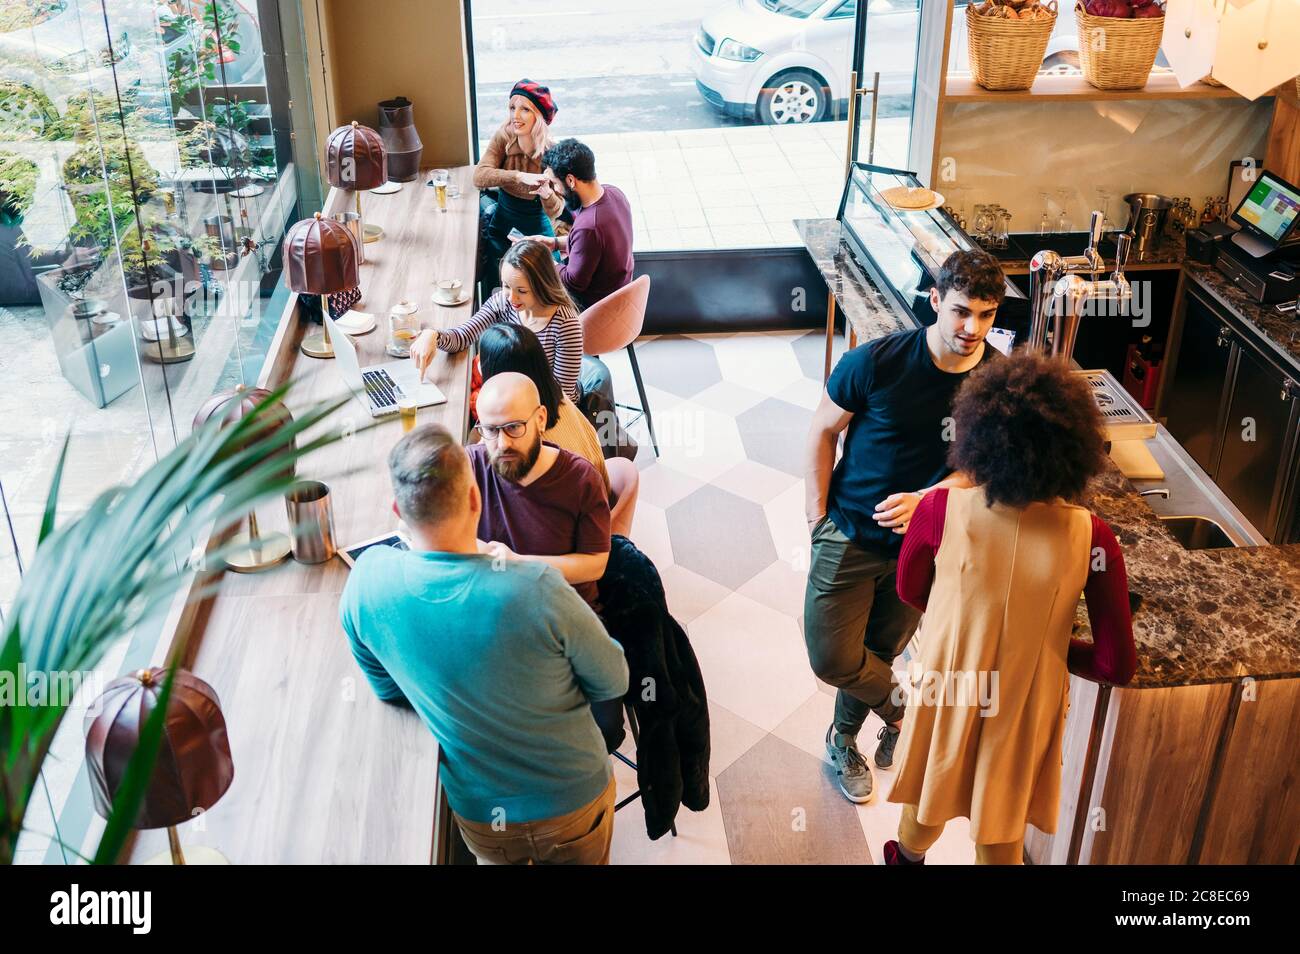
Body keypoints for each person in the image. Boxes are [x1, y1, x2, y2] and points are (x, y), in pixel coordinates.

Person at [883, 351, 1137, 865]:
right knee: (1001, 831)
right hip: (1026, 700)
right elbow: (1116, 664)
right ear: (1077, 449)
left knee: (930, 793)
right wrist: (1046, 645)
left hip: (947, 685)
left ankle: (905, 859)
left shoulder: (937, 510)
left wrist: (963, 618)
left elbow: (911, 590)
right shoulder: (1094, 535)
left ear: (979, 437)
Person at [339, 424, 629, 865]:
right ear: (475, 499)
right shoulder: (537, 587)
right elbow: (614, 678)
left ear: (397, 508)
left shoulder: (365, 581)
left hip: (480, 814)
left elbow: (389, 691)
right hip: (572, 799)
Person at [802, 248, 1005, 805]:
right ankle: (904, 711)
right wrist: (816, 517)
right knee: (832, 657)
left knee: (881, 648)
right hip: (847, 531)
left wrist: (928, 498)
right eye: (962, 310)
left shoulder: (996, 385)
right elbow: (822, 432)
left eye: (987, 315)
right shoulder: (877, 361)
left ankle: (843, 738)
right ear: (935, 301)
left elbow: (980, 468)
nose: (972, 328)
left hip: (926, 545)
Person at [478, 324, 640, 538]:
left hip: (571, 535)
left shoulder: (523, 449)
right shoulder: (556, 396)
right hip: (595, 505)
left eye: (482, 363)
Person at [470, 371, 611, 608]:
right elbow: (411, 525)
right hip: (496, 610)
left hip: (561, 614)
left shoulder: (581, 480)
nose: (503, 444)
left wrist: (519, 564)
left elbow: (596, 564)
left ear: (541, 419)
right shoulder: (469, 466)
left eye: (514, 427)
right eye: (492, 430)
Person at [410, 239, 584, 403]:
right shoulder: (502, 301)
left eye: (522, 291)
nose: (512, 297)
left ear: (542, 286)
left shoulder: (566, 325)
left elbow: (562, 395)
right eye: (506, 286)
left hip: (549, 405)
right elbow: (463, 337)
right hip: (512, 395)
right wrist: (431, 335)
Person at [474, 79, 563, 277]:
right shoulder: (504, 136)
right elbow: (479, 176)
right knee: (497, 279)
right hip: (502, 226)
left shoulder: (552, 151)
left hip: (537, 232)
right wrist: (518, 176)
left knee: (547, 279)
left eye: (524, 109)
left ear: (538, 115)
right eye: (512, 107)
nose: (515, 115)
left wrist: (546, 193)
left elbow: (557, 210)